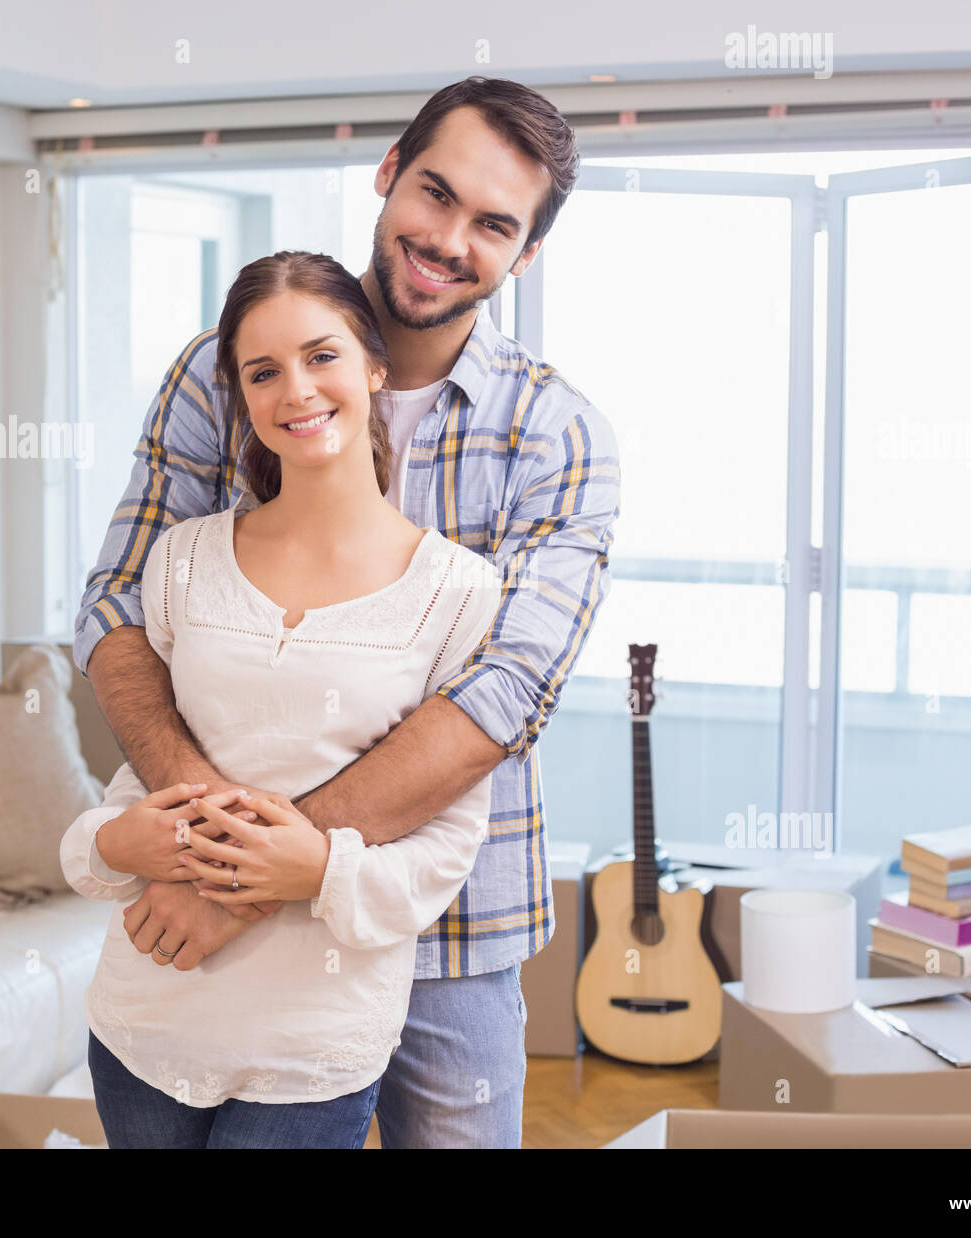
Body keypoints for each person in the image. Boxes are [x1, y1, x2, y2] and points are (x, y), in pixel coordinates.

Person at [73, 76, 621, 1149]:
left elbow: (503, 696)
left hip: (450, 925)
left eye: (494, 224)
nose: (449, 238)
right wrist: (215, 851)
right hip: (209, 914)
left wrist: (270, 871)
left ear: (526, 253)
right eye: (434, 192)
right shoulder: (223, 371)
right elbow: (118, 606)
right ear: (386, 175)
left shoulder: (560, 435)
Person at [62, 251, 504, 1148]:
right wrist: (113, 841)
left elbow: (446, 846)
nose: (296, 390)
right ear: (239, 399)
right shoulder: (182, 561)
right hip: (146, 1015)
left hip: (317, 1044)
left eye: (321, 356)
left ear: (376, 364)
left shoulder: (458, 591)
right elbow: (133, 788)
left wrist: (319, 870)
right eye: (262, 372)